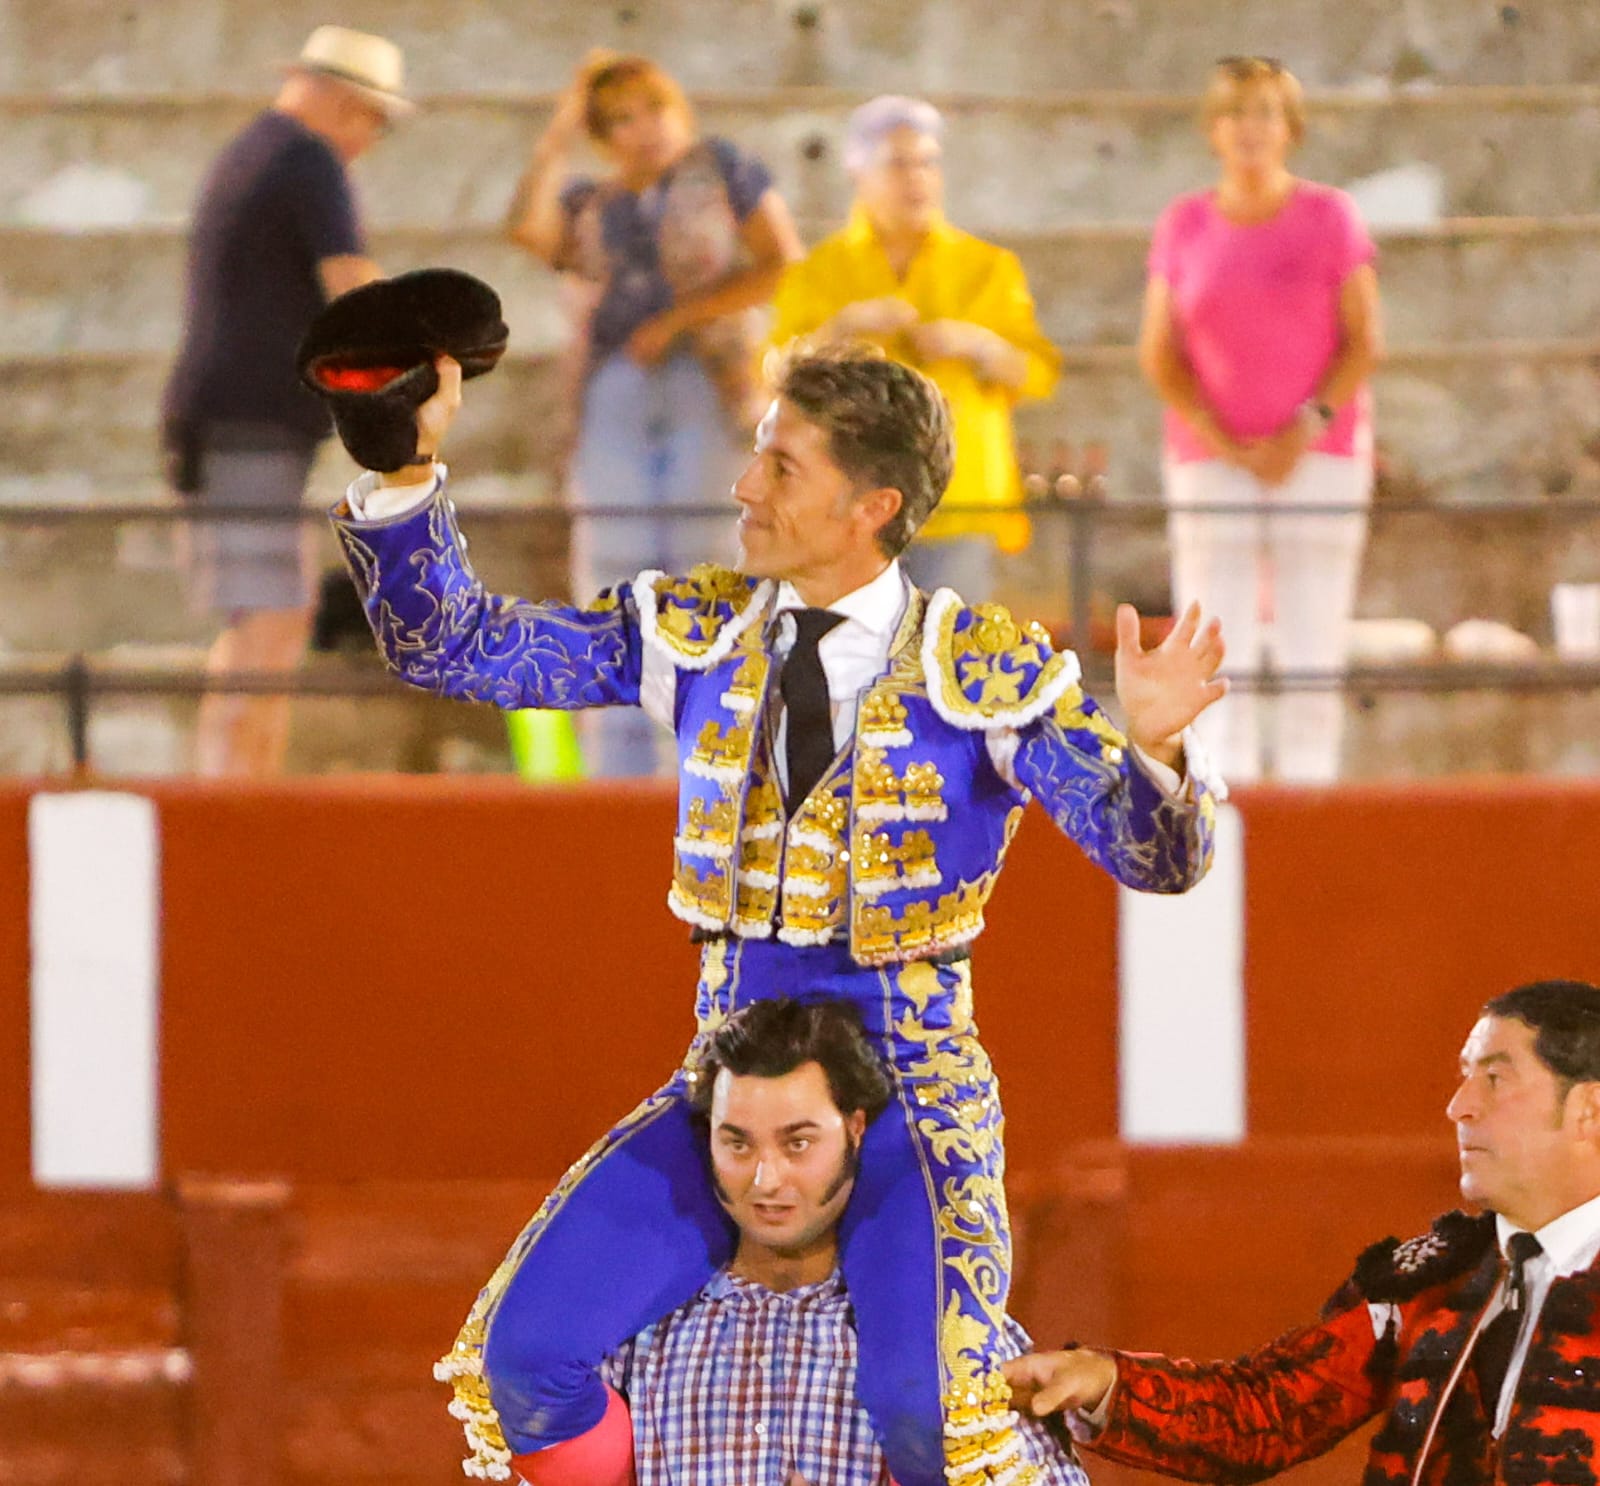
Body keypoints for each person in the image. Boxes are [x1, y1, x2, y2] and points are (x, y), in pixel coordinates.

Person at [328, 343, 1226, 1486]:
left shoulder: (977, 670)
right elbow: (454, 642)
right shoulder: (695, 631)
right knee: (525, 1359)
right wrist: (402, 468)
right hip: (730, 1087)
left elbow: (1154, 859)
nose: (746, 489)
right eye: (758, 456)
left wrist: (1153, 748)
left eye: (780, 466)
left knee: (928, 1412)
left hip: (909, 1089)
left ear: (873, 505)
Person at [1004, 979, 1600, 1486]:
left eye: (1495, 1080)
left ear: (1588, 1112)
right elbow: (1267, 1411)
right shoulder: (1438, 1278)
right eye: (1466, 1077)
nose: (1459, 1106)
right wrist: (1103, 1381)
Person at [574, 996, 1087, 1486]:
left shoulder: (947, 1335)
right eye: (737, 1143)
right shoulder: (635, 1337)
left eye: (798, 1143)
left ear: (855, 1128)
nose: (765, 1180)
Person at [506, 51, 804, 777]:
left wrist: (680, 321)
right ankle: (621, 767)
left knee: (707, 561)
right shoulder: (593, 203)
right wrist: (558, 133)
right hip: (615, 388)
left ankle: (711, 761)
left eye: (653, 110)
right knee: (615, 568)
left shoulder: (722, 170)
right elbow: (527, 229)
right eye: (620, 121)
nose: (643, 131)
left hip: (708, 379)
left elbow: (780, 260)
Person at [160, 25, 404, 776]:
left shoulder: (254, 153)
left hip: (234, 424)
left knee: (260, 621)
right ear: (341, 101)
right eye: (372, 119)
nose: (370, 139)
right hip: (250, 429)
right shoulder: (305, 159)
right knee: (270, 623)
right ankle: (239, 803)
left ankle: (231, 790)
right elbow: (350, 285)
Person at [1139, 56, 1384, 784]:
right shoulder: (1182, 222)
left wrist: (1302, 428)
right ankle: (1222, 790)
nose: (1251, 129)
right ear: (1214, 129)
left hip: (1321, 452)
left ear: (1291, 129)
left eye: (1266, 113)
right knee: (1217, 637)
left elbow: (1363, 339)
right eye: (1237, 113)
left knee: (1315, 633)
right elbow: (1160, 352)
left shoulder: (1330, 215)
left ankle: (1312, 789)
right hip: (1212, 455)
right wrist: (1221, 439)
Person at [768, 95, 1060, 604]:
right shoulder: (818, 272)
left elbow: (1036, 373)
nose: (917, 177)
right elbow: (770, 373)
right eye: (898, 163)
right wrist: (841, 329)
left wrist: (978, 345)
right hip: (847, 503)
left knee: (945, 658)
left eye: (927, 162)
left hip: (958, 497)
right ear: (858, 171)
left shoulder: (987, 267)